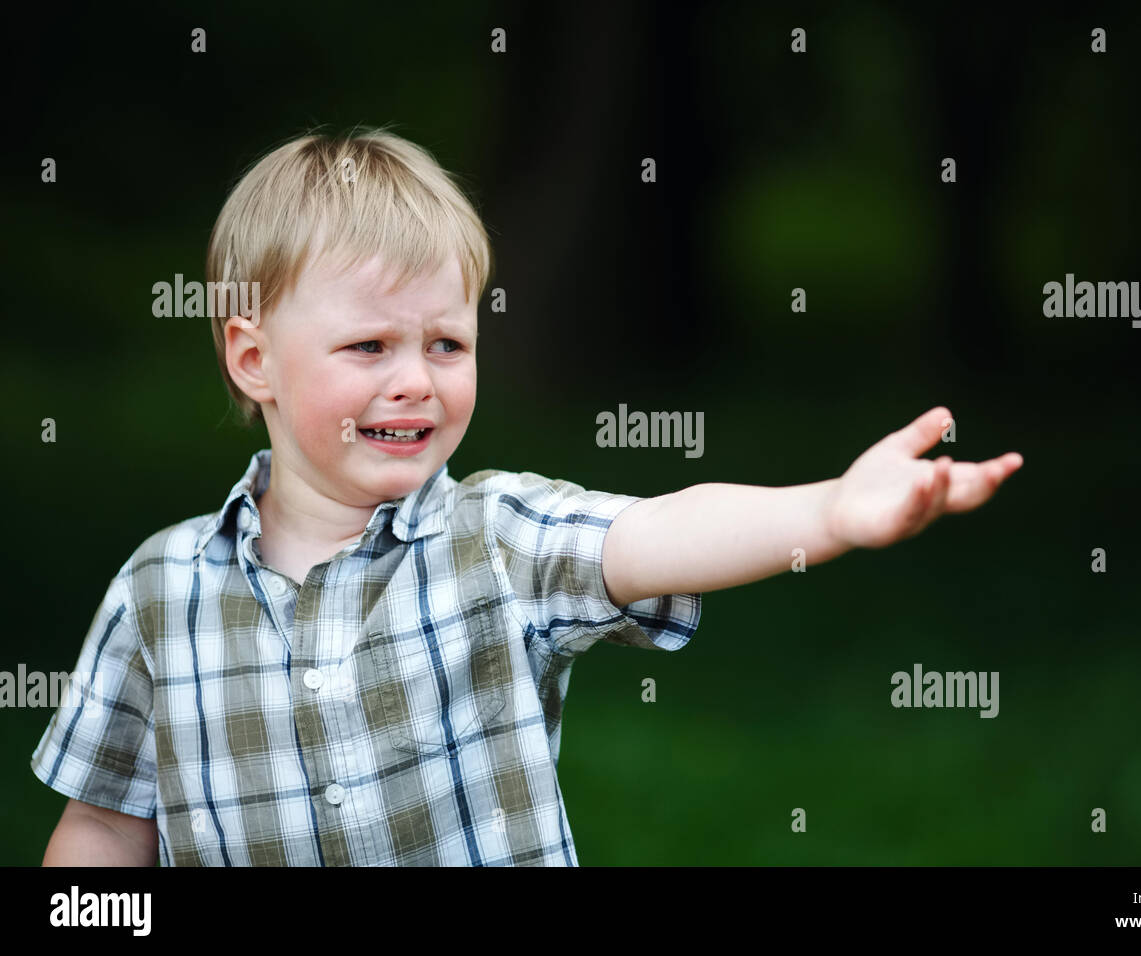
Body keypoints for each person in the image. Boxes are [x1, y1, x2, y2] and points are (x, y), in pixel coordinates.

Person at [32, 129, 1022, 866]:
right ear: (254, 358)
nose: (416, 379)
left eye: (446, 344)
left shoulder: (495, 537)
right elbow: (107, 821)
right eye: (369, 345)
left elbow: (658, 529)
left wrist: (829, 511)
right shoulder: (160, 588)